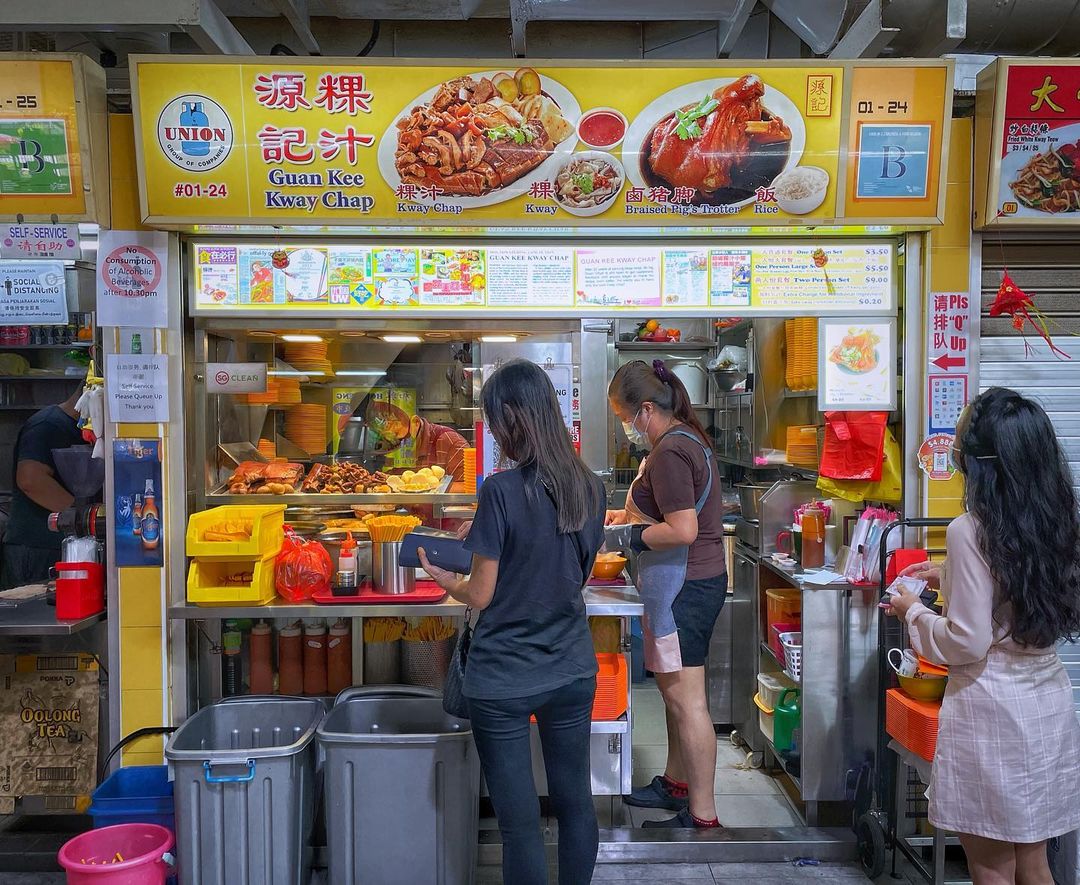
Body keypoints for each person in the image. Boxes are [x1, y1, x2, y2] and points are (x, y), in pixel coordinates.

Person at [418, 358, 604, 885]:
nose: (494, 431)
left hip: (501, 679)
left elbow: (479, 593)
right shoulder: (588, 486)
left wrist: (440, 575)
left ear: (513, 419)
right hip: (570, 669)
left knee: (520, 825)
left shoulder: (500, 490)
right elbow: (579, 574)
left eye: (495, 419)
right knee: (575, 805)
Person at [889, 388, 1080, 885]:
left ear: (982, 462)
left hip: (990, 708)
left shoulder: (969, 529)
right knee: (1033, 862)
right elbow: (1011, 592)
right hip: (1046, 703)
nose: (954, 447)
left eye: (960, 437)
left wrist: (913, 614)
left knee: (991, 866)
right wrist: (950, 574)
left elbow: (967, 642)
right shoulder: (1055, 519)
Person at [606, 359, 726, 830]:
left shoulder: (671, 452)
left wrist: (631, 539)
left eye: (623, 416)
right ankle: (676, 784)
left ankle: (703, 815)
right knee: (673, 692)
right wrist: (626, 517)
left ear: (647, 409)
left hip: (685, 587)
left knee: (687, 701)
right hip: (689, 584)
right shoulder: (684, 439)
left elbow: (682, 529)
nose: (624, 426)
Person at [1, 386, 86, 587]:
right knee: (36, 616)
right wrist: (84, 517)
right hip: (36, 550)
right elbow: (30, 480)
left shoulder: (79, 429)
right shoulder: (48, 425)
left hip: (58, 547)